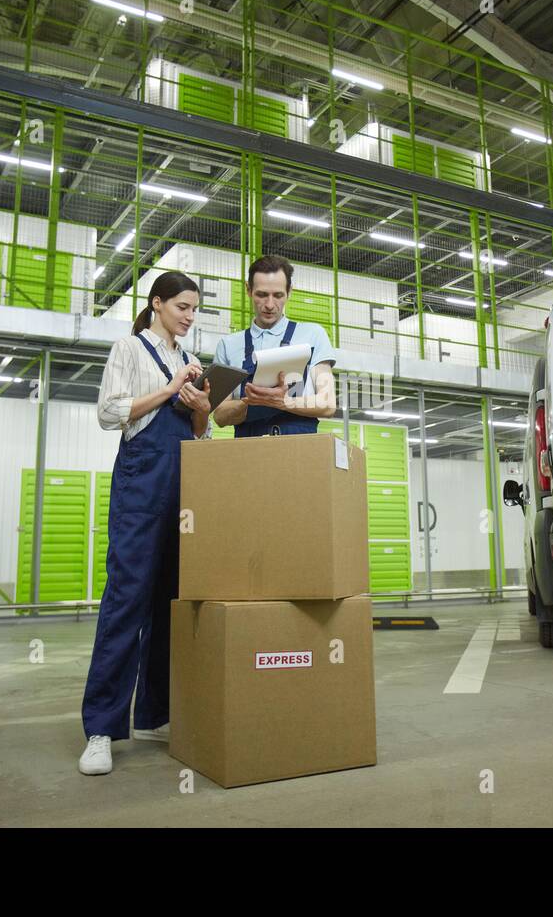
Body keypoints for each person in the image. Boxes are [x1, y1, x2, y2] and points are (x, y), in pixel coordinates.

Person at [79, 270, 211, 776]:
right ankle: (101, 728)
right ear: (157, 304)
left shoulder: (189, 362)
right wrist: (171, 388)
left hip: (184, 488)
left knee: (170, 601)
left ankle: (155, 714)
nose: (189, 315)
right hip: (141, 487)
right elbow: (110, 413)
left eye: (195, 308)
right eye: (182, 306)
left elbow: (201, 436)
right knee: (127, 600)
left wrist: (199, 407)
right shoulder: (129, 349)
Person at [212, 254, 337, 435]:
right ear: (248, 290)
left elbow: (327, 404)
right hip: (249, 450)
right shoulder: (228, 345)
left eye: (278, 295)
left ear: (289, 292)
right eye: (262, 295)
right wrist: (251, 402)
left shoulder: (313, 335)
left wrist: (282, 402)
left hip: (300, 449)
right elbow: (220, 416)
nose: (270, 304)